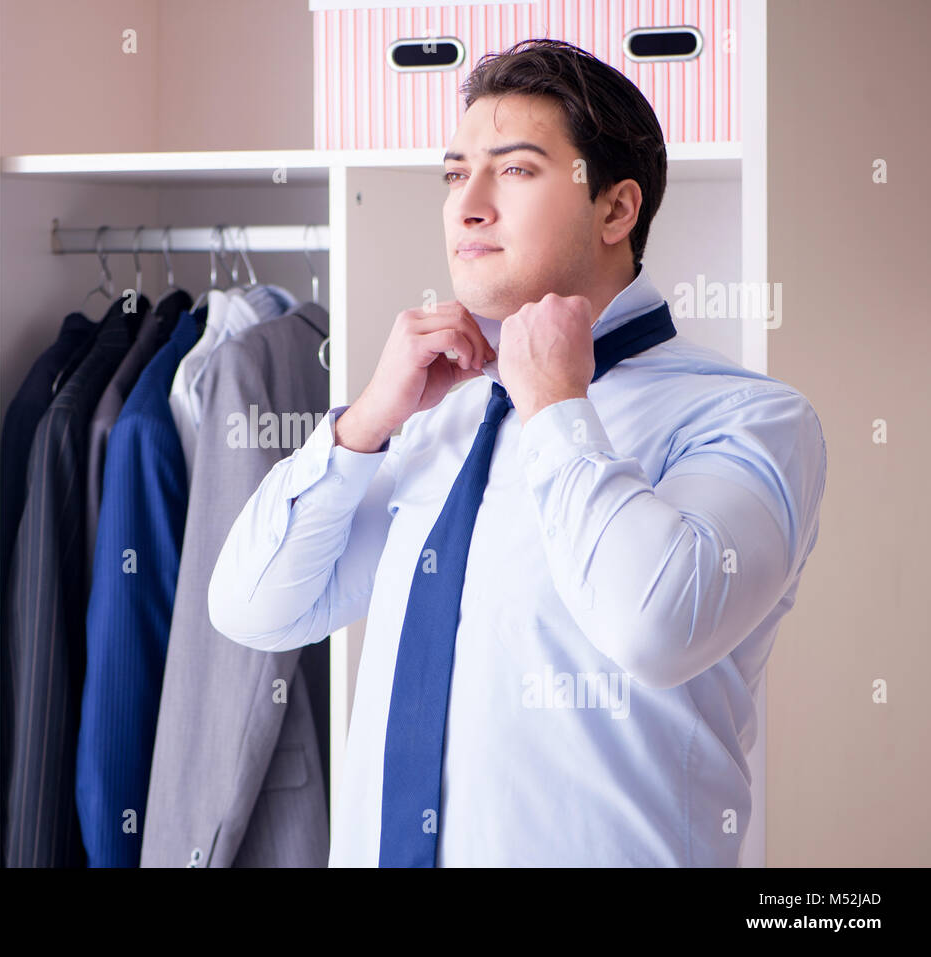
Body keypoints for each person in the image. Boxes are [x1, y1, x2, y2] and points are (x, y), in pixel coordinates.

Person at [207, 39, 827, 867]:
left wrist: (556, 406)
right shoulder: (439, 422)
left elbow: (656, 626)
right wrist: (363, 424)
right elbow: (254, 609)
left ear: (615, 210)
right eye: (455, 173)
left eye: (517, 169)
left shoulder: (749, 419)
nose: (468, 204)